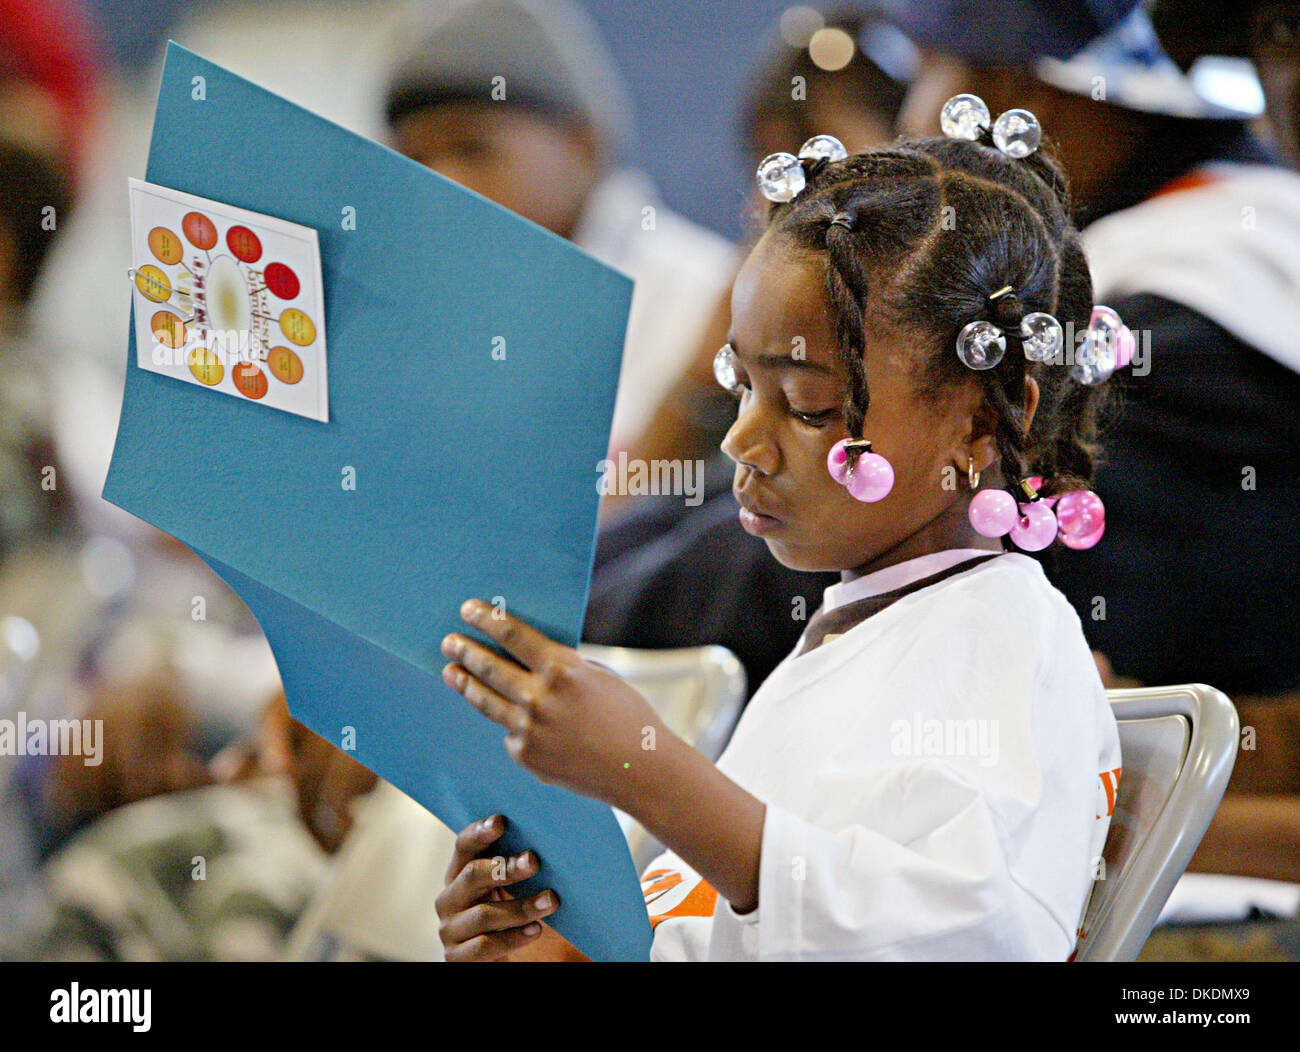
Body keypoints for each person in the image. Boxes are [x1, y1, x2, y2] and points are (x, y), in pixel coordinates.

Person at [432, 100, 1124, 961]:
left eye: (807, 406)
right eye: (741, 388)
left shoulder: (1004, 635)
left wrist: (652, 775)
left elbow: (974, 935)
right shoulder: (852, 635)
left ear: (982, 424)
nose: (739, 444)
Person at [383, 0, 736, 459]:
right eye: (416, 161)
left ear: (582, 142)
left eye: (472, 149)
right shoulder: (413, 319)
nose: (443, 183)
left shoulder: (709, 300)